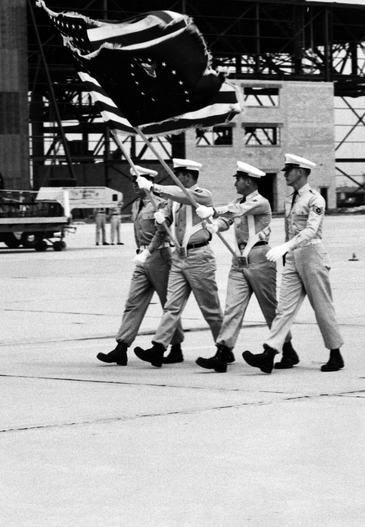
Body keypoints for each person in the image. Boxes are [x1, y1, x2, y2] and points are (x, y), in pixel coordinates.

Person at [242, 154, 345, 373]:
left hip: (312, 256)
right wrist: (287, 251)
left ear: (300, 172)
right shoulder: (290, 199)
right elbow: (290, 229)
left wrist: (286, 246)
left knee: (322, 308)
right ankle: (270, 353)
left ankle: (335, 353)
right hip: (293, 257)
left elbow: (311, 230)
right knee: (284, 308)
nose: (285, 175)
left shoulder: (315, 199)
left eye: (288, 171)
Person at [194, 161, 287, 372]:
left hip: (259, 258)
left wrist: (212, 210)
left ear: (248, 182)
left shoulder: (260, 202)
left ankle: (287, 348)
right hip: (239, 259)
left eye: (238, 179)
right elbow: (227, 220)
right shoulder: (237, 202)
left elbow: (236, 211)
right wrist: (215, 225)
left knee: (269, 308)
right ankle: (222, 352)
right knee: (232, 308)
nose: (235, 183)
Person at [132, 159, 223, 367]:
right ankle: (158, 348)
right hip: (179, 257)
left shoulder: (202, 195)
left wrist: (153, 187)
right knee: (171, 306)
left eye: (177, 175)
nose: (174, 178)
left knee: (210, 308)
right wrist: (160, 221)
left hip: (199, 257)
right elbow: (163, 226)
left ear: (187, 176)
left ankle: (224, 348)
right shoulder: (172, 201)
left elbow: (183, 194)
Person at [97, 167, 184, 366]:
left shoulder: (160, 202)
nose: (135, 185)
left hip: (159, 256)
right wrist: (142, 254)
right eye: (133, 182)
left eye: (138, 182)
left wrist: (148, 252)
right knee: (133, 303)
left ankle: (176, 348)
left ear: (148, 182)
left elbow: (162, 232)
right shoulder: (137, 204)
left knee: (168, 304)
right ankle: (121, 347)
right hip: (142, 258)